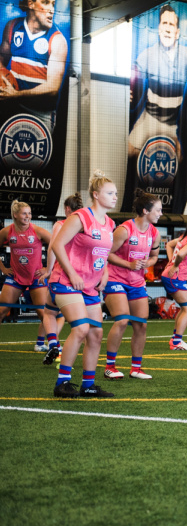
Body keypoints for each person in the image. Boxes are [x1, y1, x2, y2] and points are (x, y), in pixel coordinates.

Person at [47, 169, 117, 398]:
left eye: (116, 193)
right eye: (110, 193)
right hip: (66, 281)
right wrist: (73, 274)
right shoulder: (80, 217)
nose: (115, 197)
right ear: (96, 195)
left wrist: (104, 274)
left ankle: (88, 385)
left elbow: (102, 254)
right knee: (81, 328)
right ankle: (62, 383)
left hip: (89, 286)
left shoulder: (110, 223)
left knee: (96, 334)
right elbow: (57, 245)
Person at [103, 191, 162, 380]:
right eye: (158, 210)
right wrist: (128, 264)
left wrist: (148, 263)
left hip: (137, 282)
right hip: (115, 279)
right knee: (121, 321)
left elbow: (154, 257)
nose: (161, 214)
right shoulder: (124, 230)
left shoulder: (155, 233)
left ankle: (136, 369)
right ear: (145, 211)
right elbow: (107, 254)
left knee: (141, 325)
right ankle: (110, 367)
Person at [128, 3, 187, 161]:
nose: (167, 28)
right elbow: (134, 76)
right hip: (150, 119)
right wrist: (129, 91)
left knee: (178, 160)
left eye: (171, 24)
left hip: (171, 124)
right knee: (130, 150)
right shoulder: (147, 55)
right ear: (159, 28)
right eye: (164, 23)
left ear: (177, 32)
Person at [0, 0, 69, 132]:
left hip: (41, 113)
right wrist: (4, 82)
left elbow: (53, 88)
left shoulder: (57, 40)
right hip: (12, 105)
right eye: (45, 2)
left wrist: (17, 95)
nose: (51, 10)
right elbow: (1, 62)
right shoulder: (12, 27)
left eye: (53, 4)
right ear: (31, 4)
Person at [40, 192, 83, 364]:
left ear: (67, 209)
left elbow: (52, 247)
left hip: (61, 277)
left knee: (50, 313)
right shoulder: (86, 225)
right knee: (70, 318)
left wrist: (48, 270)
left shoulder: (61, 224)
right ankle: (56, 346)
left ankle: (54, 344)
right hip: (81, 277)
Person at [0, 200, 52, 341]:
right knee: (2, 310)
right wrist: (3, 268)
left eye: (29, 213)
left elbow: (57, 246)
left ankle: (51, 345)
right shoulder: (7, 231)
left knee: (43, 313)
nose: (28, 216)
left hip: (36, 277)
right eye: (24, 213)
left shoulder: (37, 231)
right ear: (15, 215)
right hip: (15, 278)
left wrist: (47, 268)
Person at [162, 216, 187, 351]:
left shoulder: (183, 238)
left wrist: (171, 262)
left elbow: (169, 244)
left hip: (173, 277)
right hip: (175, 278)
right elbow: (180, 254)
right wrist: (174, 265)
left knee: (185, 308)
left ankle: (176, 339)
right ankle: (176, 342)